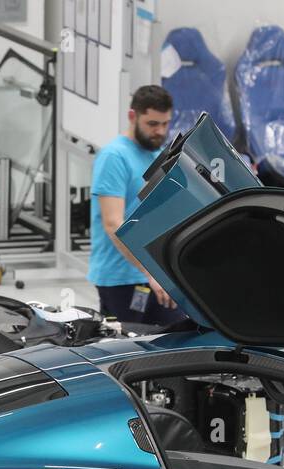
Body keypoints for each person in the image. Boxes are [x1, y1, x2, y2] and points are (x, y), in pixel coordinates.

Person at [88, 84, 182, 327]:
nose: (160, 131)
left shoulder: (157, 154)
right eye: (152, 124)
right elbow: (113, 224)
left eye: (165, 124)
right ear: (133, 116)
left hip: (157, 278)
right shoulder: (114, 157)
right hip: (122, 279)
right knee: (128, 354)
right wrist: (150, 272)